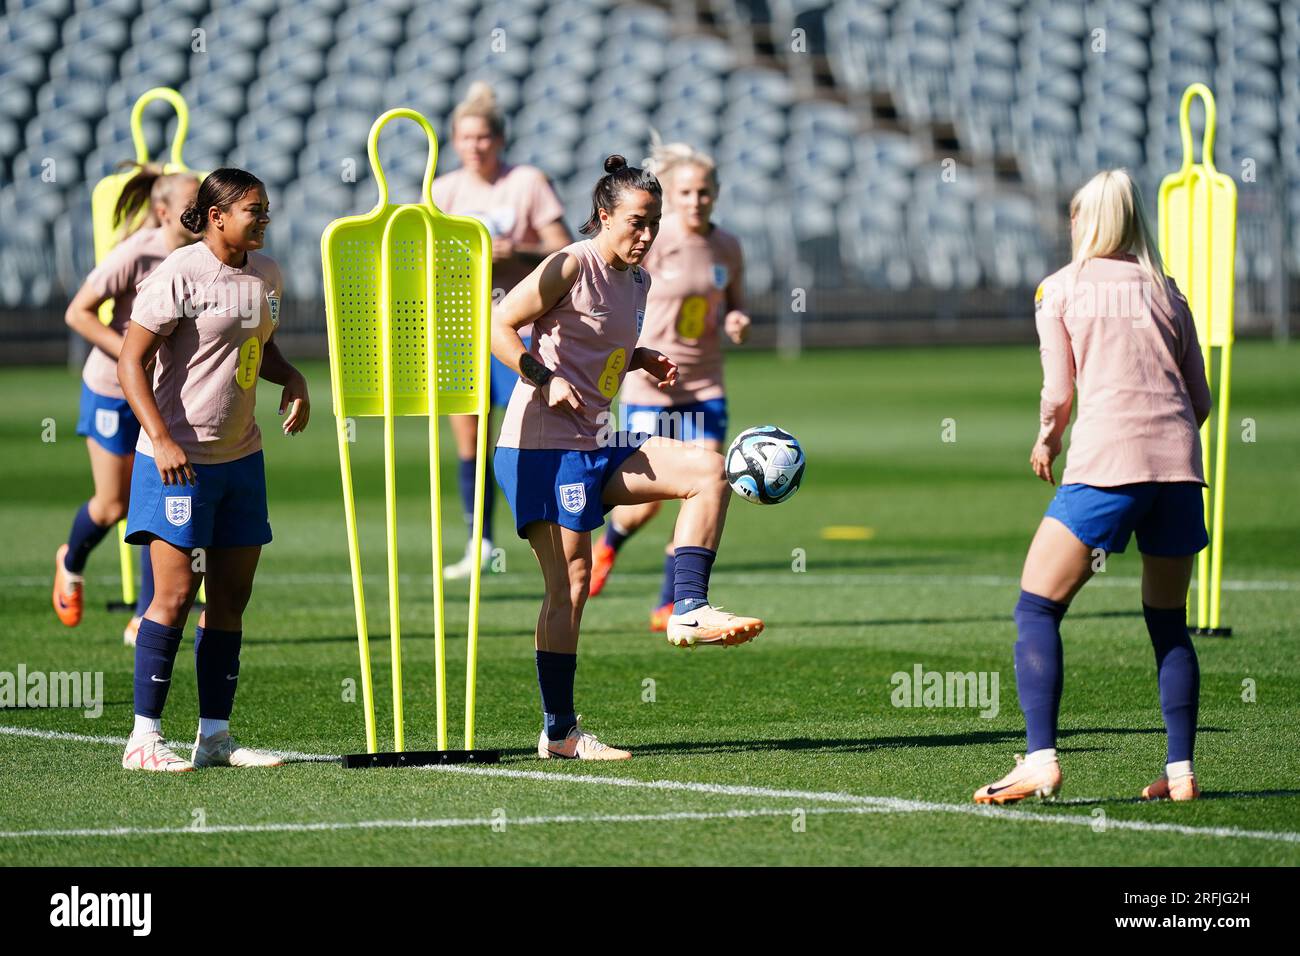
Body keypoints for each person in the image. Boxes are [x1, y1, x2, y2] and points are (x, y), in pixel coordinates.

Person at [492, 155, 764, 761]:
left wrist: (638, 357)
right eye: (637, 222)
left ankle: (687, 607)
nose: (647, 235)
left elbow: (595, 337)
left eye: (654, 223)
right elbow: (499, 323)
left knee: (709, 472)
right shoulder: (570, 262)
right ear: (603, 216)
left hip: (592, 439)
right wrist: (541, 377)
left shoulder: (637, 280)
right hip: (539, 445)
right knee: (572, 584)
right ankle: (560, 731)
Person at [974, 169, 1211, 805]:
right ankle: (1182, 772)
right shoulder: (1168, 291)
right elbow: (1202, 398)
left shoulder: (1062, 288)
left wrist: (1047, 439)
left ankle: (1041, 759)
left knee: (1037, 606)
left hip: (1107, 466)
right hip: (1180, 471)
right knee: (1169, 622)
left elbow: (1058, 390)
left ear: (1086, 221)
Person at [116, 167, 310, 772]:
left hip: (241, 458)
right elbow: (130, 360)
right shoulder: (179, 273)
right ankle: (143, 739)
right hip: (178, 462)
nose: (264, 217)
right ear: (217, 215)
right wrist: (161, 437)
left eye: (266, 207)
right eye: (254, 208)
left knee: (232, 596)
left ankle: (215, 738)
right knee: (174, 596)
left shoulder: (268, 274)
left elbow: (258, 346)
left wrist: (294, 378)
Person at [588, 139, 751, 631]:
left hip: (704, 385)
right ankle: (609, 545)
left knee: (705, 483)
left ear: (716, 194)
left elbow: (735, 301)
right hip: (652, 385)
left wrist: (738, 319)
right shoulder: (653, 241)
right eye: (686, 192)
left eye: (704, 192)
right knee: (648, 505)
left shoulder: (728, 246)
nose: (696, 200)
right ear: (673, 196)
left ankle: (670, 603)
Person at [53, 165, 200, 645]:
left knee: (151, 502)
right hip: (111, 390)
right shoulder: (138, 252)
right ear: (163, 212)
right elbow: (78, 311)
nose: (203, 213)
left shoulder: (199, 256)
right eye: (192, 204)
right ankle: (70, 561)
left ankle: (144, 615)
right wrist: (129, 357)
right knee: (113, 504)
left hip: (158, 398)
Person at [430, 82, 572, 579]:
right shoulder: (444, 191)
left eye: (484, 137)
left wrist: (517, 252)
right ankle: (478, 544)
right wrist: (469, 257)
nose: (475, 146)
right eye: (466, 137)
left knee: (526, 437)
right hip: (461, 330)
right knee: (470, 441)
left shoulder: (527, 181)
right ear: (453, 140)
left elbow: (564, 252)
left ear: (500, 139)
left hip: (520, 331)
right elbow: (423, 261)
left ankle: (547, 536)